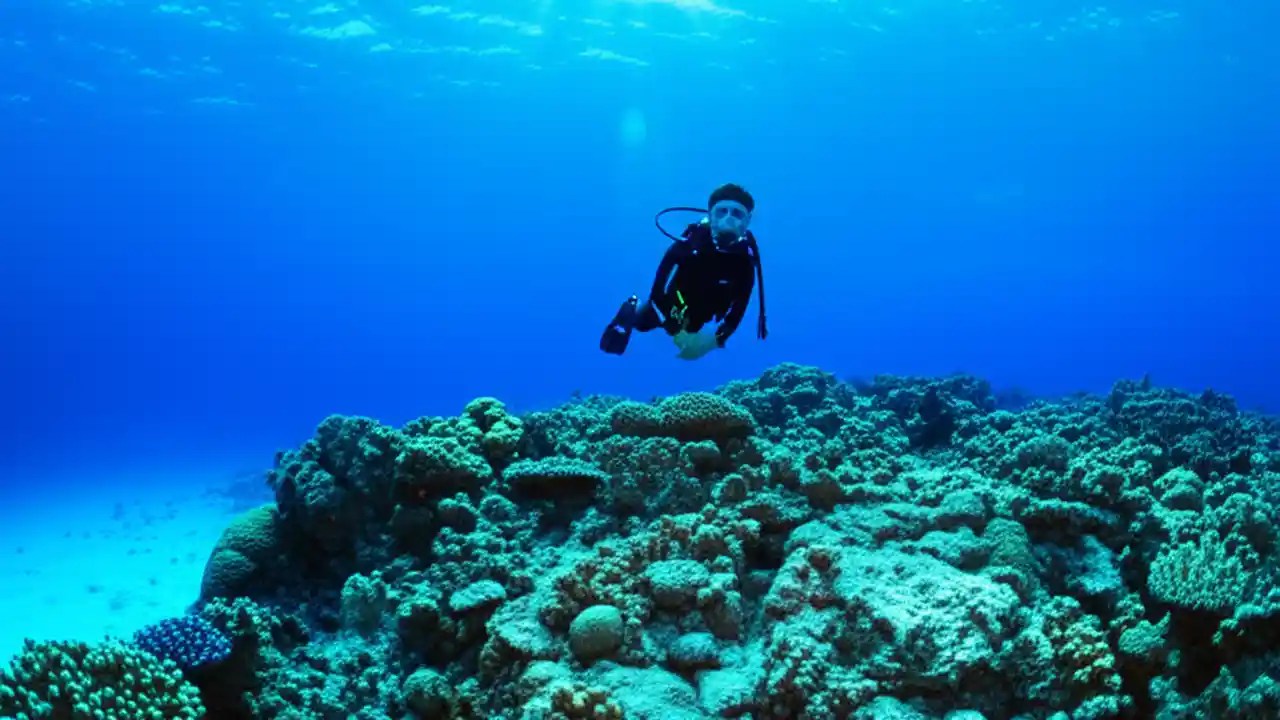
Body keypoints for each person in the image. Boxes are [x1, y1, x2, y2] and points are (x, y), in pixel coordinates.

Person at [600, 182, 767, 360]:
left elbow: (738, 310)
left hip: (703, 314)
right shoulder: (688, 245)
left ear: (747, 221)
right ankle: (631, 308)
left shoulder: (745, 261)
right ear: (710, 215)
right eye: (722, 211)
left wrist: (713, 343)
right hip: (672, 305)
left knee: (693, 330)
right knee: (644, 323)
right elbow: (658, 290)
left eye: (737, 213)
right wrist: (672, 325)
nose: (729, 219)